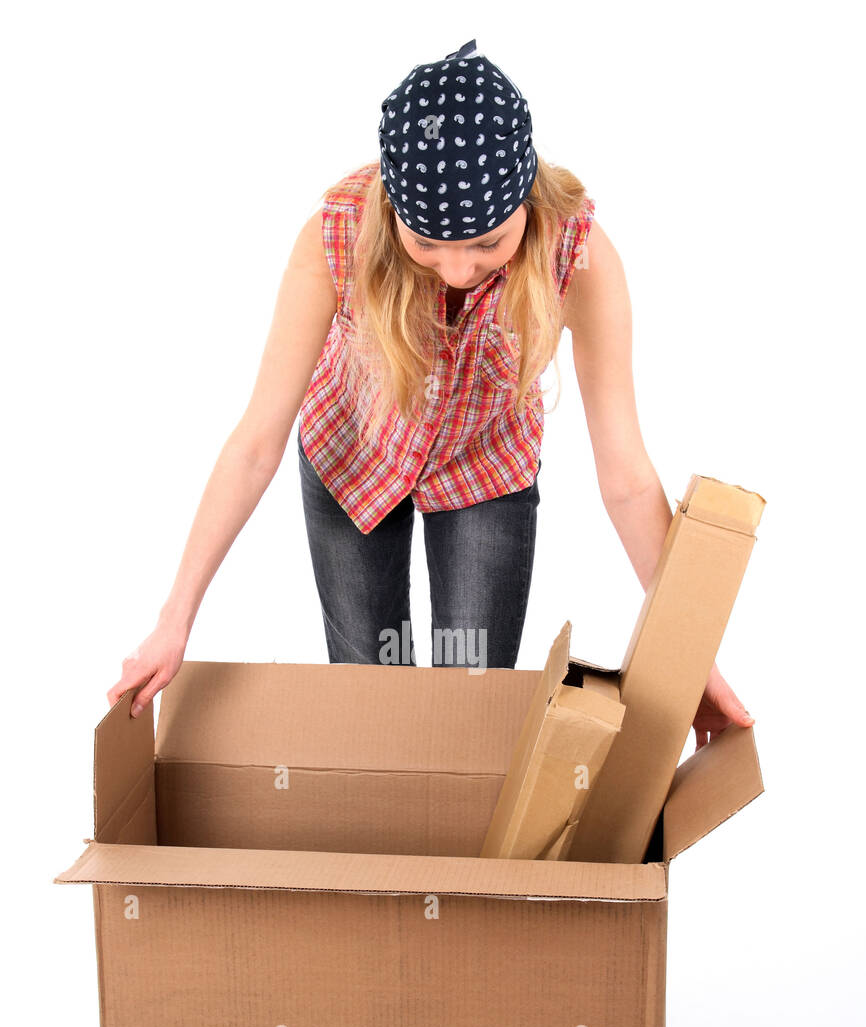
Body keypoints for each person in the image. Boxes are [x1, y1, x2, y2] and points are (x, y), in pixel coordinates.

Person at [108, 38, 753, 751]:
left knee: (466, 712)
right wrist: (175, 619)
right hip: (351, 458)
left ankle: (451, 858)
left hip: (486, 469)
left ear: (527, 202)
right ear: (393, 213)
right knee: (370, 703)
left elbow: (628, 480)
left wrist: (693, 661)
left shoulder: (583, 255)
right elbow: (255, 442)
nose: (456, 271)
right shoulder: (338, 233)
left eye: (487, 244)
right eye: (427, 245)